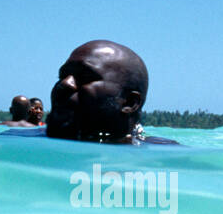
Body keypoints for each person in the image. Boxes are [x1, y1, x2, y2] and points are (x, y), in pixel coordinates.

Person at [41, 40, 177, 144]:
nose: (64, 84)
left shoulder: (165, 162)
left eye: (85, 77)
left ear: (129, 103)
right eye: (62, 76)